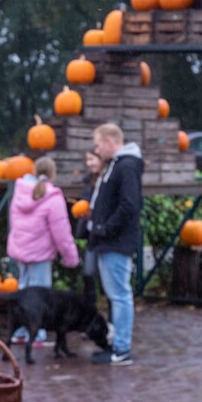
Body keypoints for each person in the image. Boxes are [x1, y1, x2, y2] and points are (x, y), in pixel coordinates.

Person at [6, 156, 80, 345]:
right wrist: (71, 258)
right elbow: (61, 232)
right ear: (53, 174)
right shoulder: (53, 197)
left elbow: (15, 222)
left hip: (21, 252)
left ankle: (21, 331)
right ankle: (36, 334)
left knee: (24, 292)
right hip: (40, 254)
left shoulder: (20, 190)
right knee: (40, 296)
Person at [87, 123, 144, 366]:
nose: (97, 150)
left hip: (116, 243)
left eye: (99, 145)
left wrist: (105, 228)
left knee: (120, 295)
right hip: (108, 242)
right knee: (116, 294)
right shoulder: (116, 165)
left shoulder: (127, 166)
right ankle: (117, 347)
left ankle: (121, 349)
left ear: (111, 142)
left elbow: (129, 205)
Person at [74, 149, 105, 303]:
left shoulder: (108, 180)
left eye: (92, 159)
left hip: (105, 233)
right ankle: (90, 308)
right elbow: (86, 202)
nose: (89, 163)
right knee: (88, 273)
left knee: (106, 277)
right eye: (87, 160)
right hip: (92, 232)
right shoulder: (88, 180)